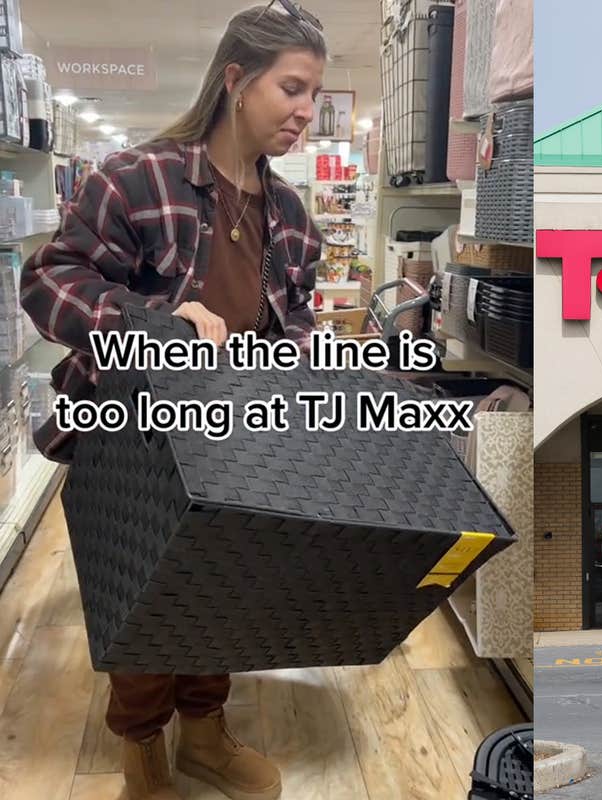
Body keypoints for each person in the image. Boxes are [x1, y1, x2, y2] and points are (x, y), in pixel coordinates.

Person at [18, 4, 329, 799]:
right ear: (235, 79)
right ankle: (141, 755)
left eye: (315, 94)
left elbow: (292, 324)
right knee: (140, 595)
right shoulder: (136, 179)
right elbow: (49, 280)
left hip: (232, 438)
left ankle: (204, 735)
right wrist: (149, 323)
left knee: (221, 584)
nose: (305, 110)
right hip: (131, 441)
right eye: (291, 87)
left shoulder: (290, 217)